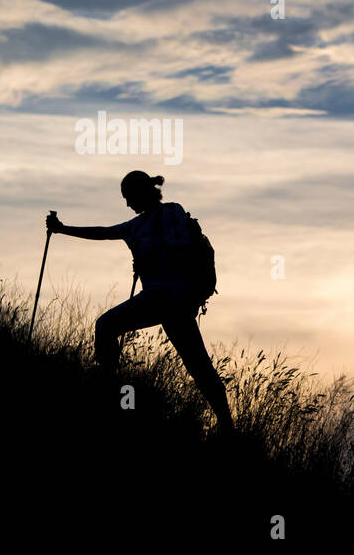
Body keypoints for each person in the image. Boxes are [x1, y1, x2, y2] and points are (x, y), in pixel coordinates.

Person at [46, 171, 234, 432]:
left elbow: (179, 249)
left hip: (172, 299)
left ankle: (226, 423)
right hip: (162, 301)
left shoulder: (171, 212)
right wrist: (62, 229)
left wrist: (150, 261)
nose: (127, 204)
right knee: (195, 362)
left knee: (110, 327)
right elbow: (102, 232)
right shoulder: (135, 226)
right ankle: (227, 424)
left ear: (143, 193)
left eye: (129, 197)